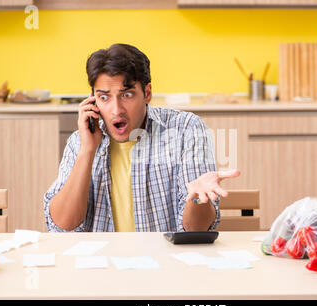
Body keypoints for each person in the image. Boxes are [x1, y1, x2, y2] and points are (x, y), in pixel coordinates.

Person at [43, 43, 240, 232]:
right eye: (104, 97)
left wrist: (196, 198)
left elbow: (196, 229)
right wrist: (87, 151)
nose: (116, 110)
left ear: (147, 93)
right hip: (100, 263)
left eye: (127, 95)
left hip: (165, 263)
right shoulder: (81, 140)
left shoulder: (186, 130)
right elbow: (62, 226)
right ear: (93, 99)